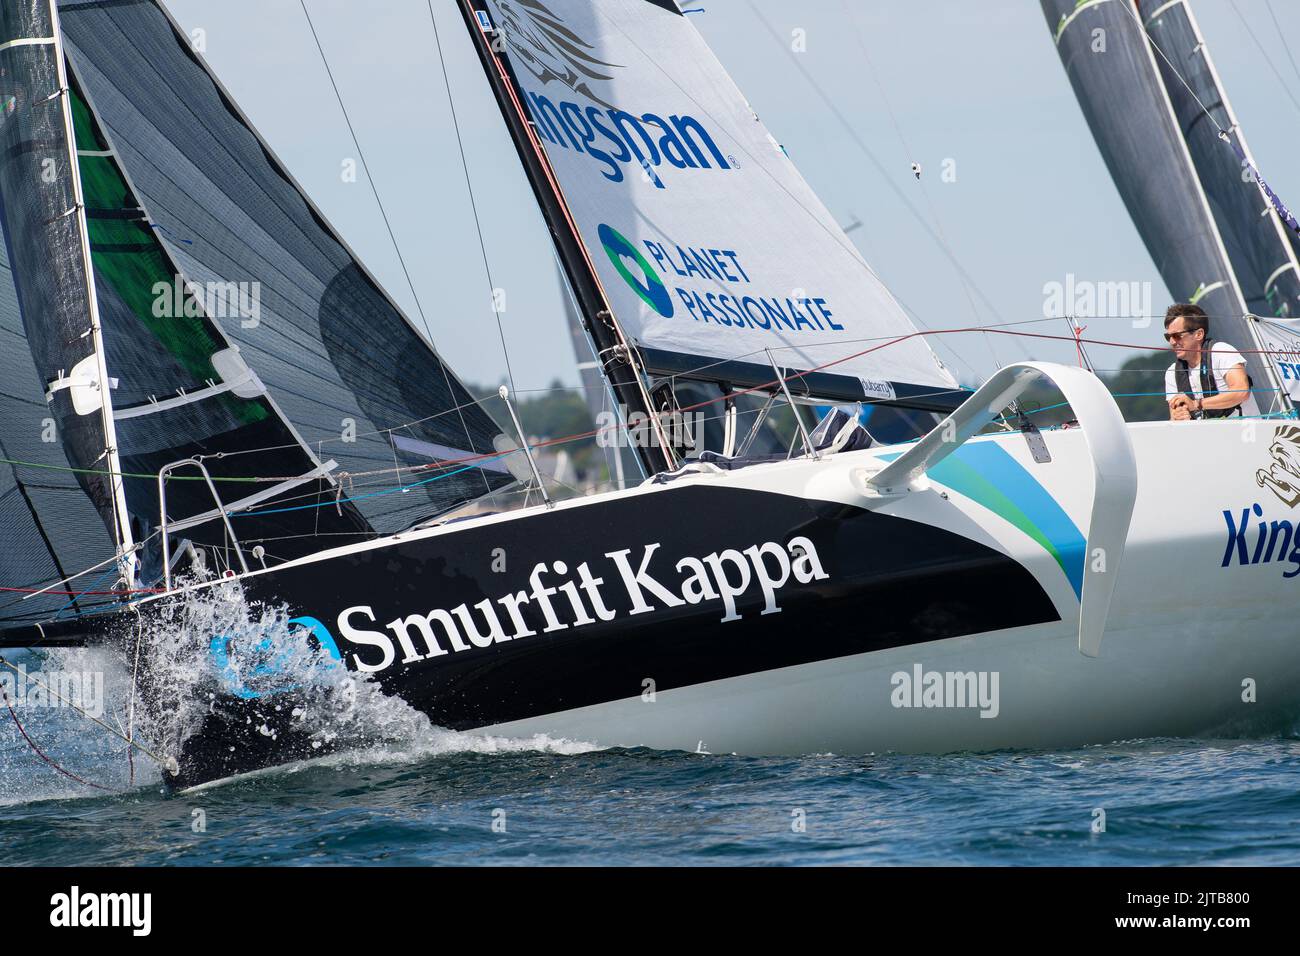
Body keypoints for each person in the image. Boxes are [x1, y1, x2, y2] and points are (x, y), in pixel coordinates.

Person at [1163, 303, 1259, 420]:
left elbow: (1242, 392)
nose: (1172, 342)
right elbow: (1173, 417)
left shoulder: (1221, 351)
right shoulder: (1172, 373)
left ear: (1199, 334)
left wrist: (1196, 404)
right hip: (1207, 436)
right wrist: (1178, 416)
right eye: (1168, 337)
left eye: (1177, 336)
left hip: (1245, 433)